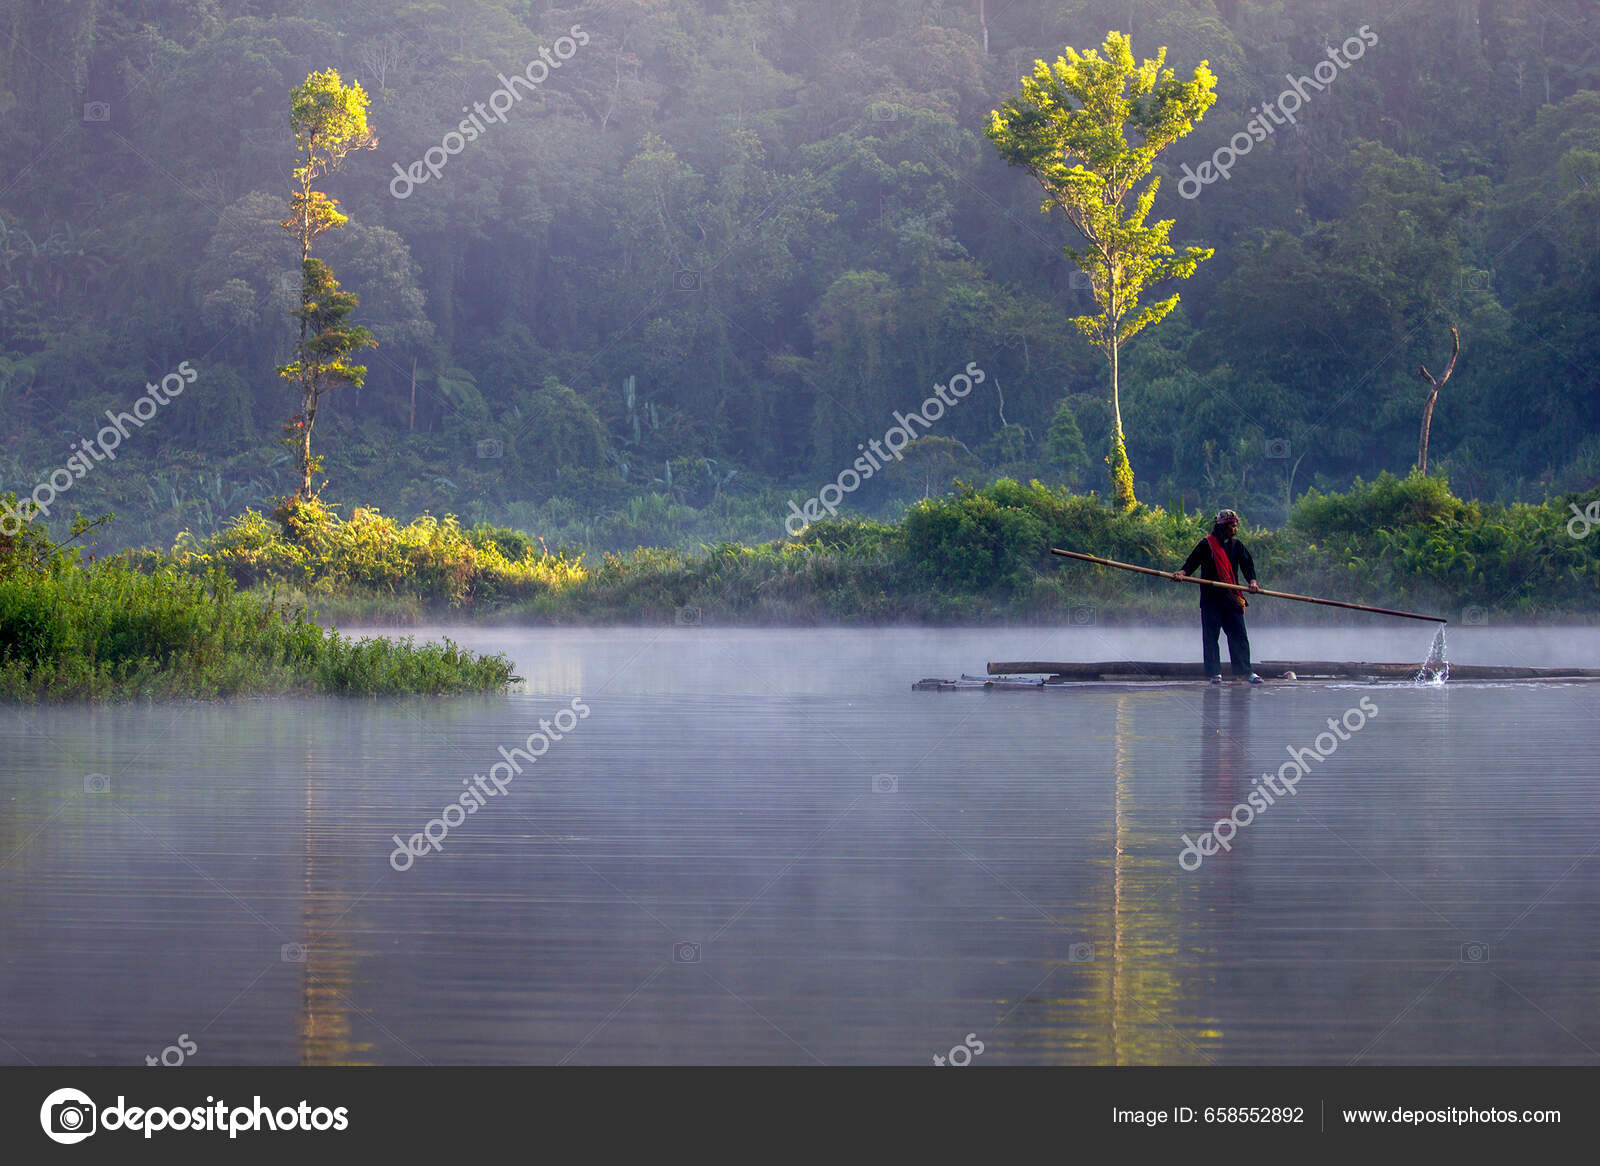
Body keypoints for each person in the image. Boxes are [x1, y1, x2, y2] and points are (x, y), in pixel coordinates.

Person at [1172, 509, 1263, 684]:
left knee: (1239, 636)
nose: (1234, 529)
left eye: (1235, 526)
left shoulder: (1237, 546)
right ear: (1221, 527)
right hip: (1211, 599)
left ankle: (1245, 671)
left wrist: (1252, 581)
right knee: (1211, 636)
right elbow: (1191, 562)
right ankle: (1215, 673)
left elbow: (1247, 565)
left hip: (1232, 598)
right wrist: (1182, 573)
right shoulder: (1207, 544)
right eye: (1231, 526)